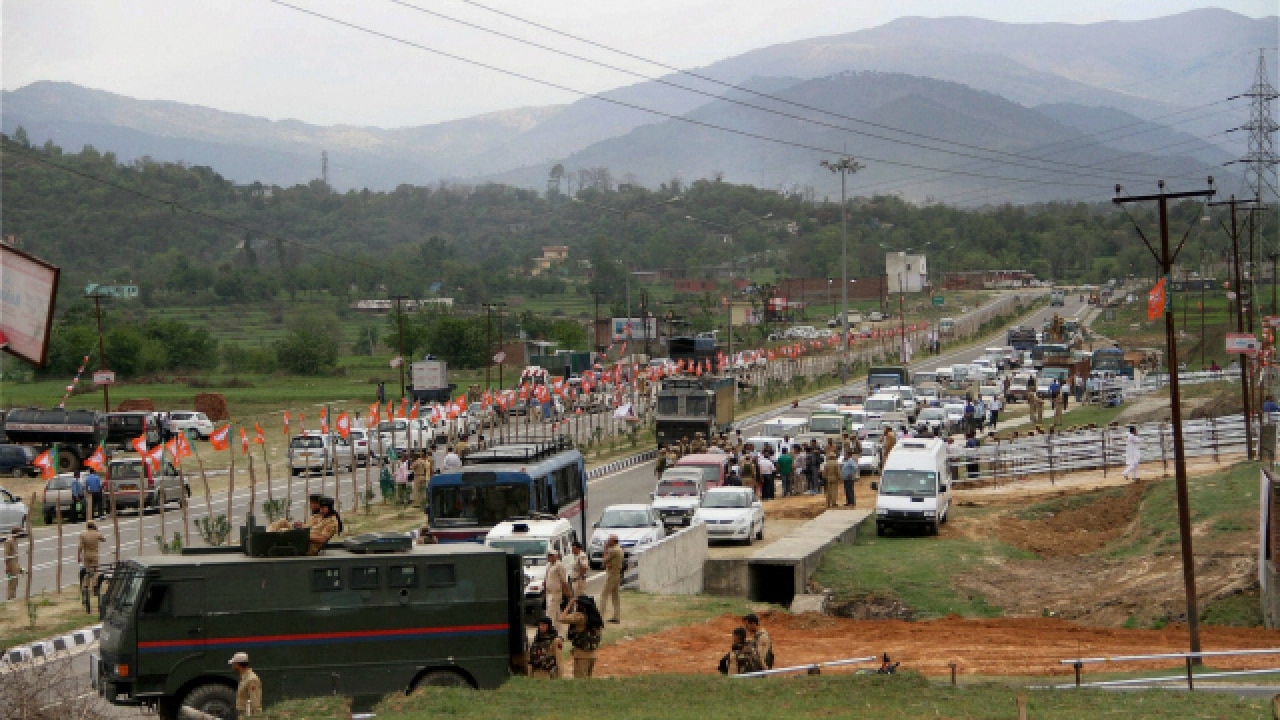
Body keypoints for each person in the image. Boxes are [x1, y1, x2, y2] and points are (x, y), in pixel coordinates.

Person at [559, 596, 604, 678]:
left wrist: (569, 604)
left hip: (581, 655)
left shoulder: (580, 617)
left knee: (580, 681)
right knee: (587, 681)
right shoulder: (595, 618)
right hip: (592, 654)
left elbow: (561, 618)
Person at [543, 549, 571, 637]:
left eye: (551, 555)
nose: (549, 557)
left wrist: (567, 592)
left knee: (550, 614)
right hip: (549, 593)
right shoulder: (548, 565)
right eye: (549, 555)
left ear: (556, 556)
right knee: (557, 614)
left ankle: (549, 632)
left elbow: (563, 580)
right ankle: (560, 634)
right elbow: (546, 578)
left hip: (556, 593)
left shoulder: (559, 566)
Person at [229, 652, 262, 718]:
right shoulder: (244, 678)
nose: (232, 666)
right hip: (243, 715)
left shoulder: (252, 679)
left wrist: (257, 717)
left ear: (238, 665)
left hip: (248, 716)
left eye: (233, 664)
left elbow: (255, 703)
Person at [600, 535, 624, 623]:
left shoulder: (614, 550)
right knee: (615, 596)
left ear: (614, 541)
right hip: (617, 574)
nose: (608, 542)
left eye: (609, 540)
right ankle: (616, 616)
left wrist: (605, 549)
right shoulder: (620, 549)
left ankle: (601, 617)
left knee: (603, 595)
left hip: (612, 575)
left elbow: (604, 560)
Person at [4, 532, 22, 601]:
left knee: (15, 581)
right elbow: (6, 555)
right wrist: (7, 566)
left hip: (15, 563)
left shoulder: (15, 541)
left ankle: (13, 596)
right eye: (18, 534)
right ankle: (9, 598)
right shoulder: (9, 541)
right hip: (10, 563)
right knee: (11, 581)